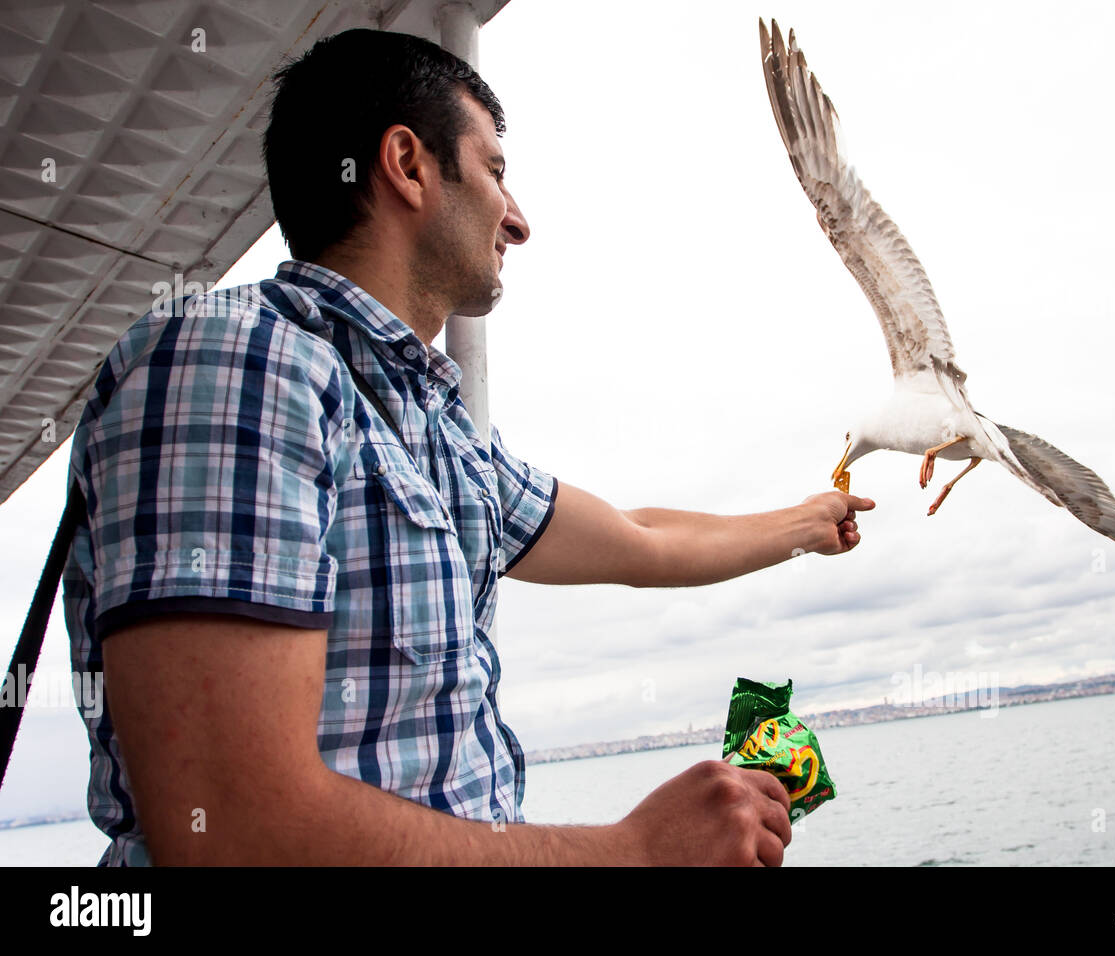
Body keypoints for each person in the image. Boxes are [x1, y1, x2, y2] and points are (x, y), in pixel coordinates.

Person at [62, 28, 872, 866]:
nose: (517, 221)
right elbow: (228, 823)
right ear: (407, 165)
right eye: (494, 172)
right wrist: (633, 852)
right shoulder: (234, 361)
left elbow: (640, 538)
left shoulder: (440, 432)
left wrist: (809, 523)